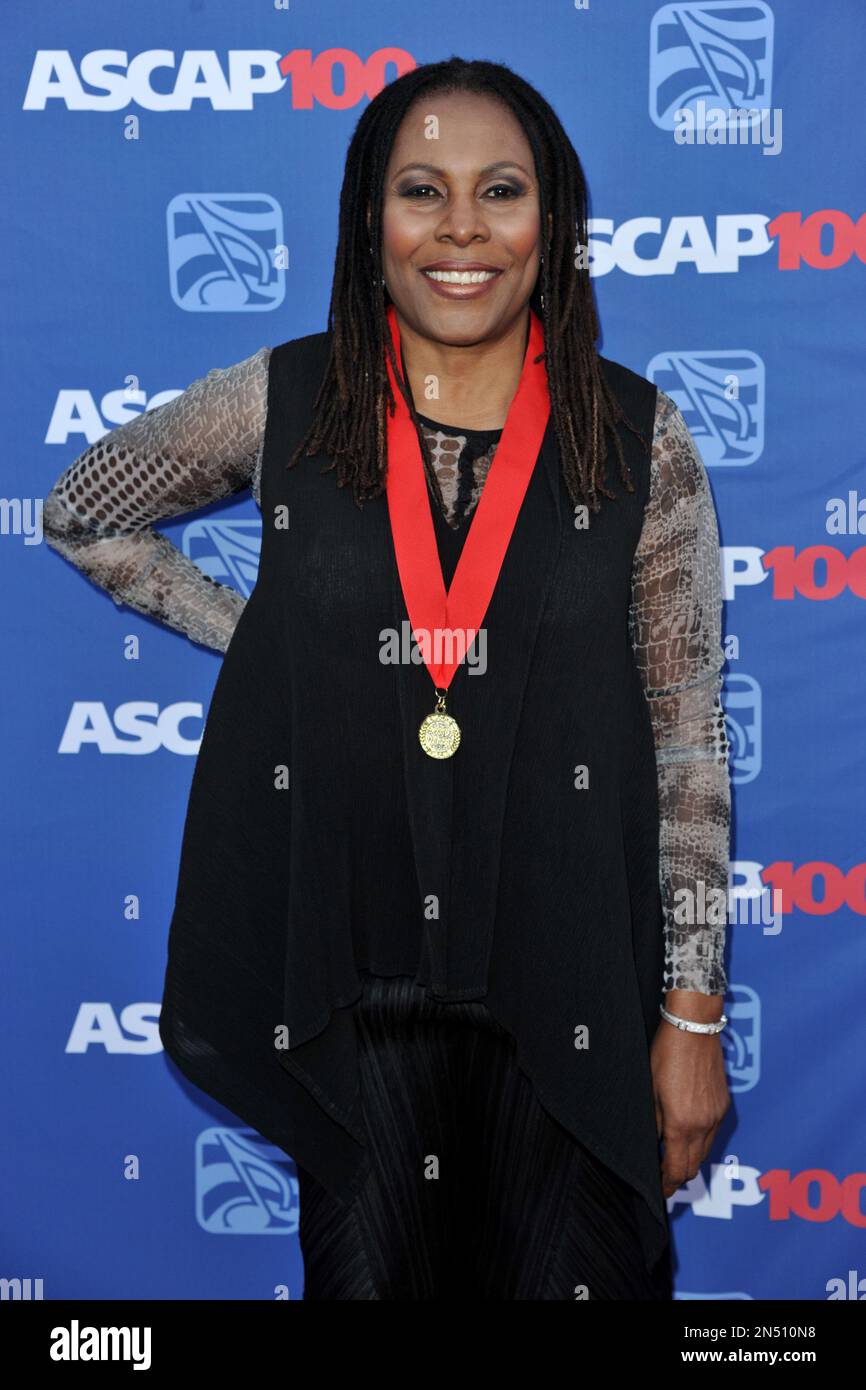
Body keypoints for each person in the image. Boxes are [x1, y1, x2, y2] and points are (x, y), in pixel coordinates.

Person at [43, 57, 732, 1300]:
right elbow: (84, 511)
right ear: (372, 221)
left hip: (569, 993)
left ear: (552, 222)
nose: (461, 228)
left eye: (500, 190)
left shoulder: (637, 437)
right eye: (422, 189)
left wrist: (689, 1021)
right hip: (355, 1002)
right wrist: (265, 640)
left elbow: (688, 742)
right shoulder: (287, 400)